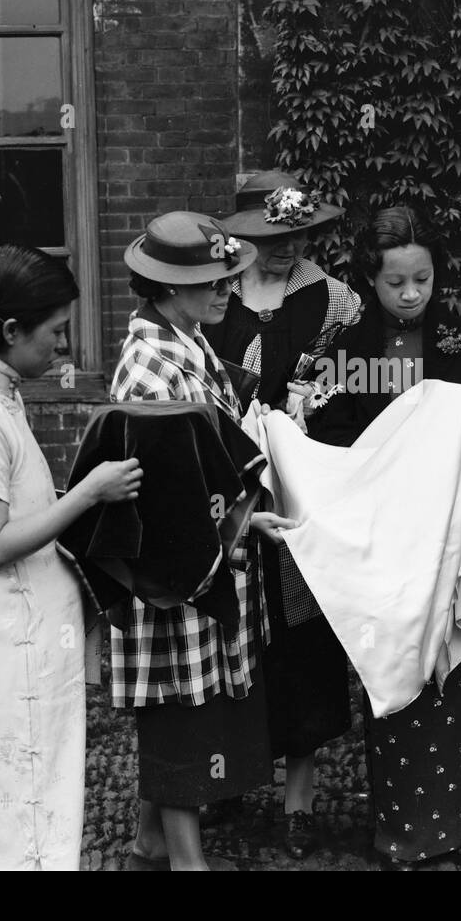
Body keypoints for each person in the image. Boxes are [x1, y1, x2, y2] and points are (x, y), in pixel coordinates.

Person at [0, 245, 144, 869]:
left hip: (32, 645)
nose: (61, 346)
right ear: (10, 331)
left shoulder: (0, 394)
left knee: (40, 805)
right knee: (17, 816)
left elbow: (19, 512)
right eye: (54, 332)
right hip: (12, 655)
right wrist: (87, 493)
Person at [304, 206, 461, 870]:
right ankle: (401, 819)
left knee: (454, 670)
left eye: (423, 278)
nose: (412, 293)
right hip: (386, 539)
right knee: (396, 671)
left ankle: (458, 816)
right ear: (370, 281)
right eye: (396, 283)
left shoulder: (459, 338)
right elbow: (330, 434)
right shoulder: (352, 349)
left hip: (449, 534)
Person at [112, 212, 296, 872]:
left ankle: (147, 847)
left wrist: (246, 518)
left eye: (228, 276)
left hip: (209, 557)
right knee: (179, 714)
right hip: (176, 570)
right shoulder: (149, 367)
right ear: (164, 288)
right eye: (210, 279)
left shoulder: (184, 340)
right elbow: (163, 495)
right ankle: (186, 865)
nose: (226, 288)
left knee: (190, 701)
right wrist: (234, 522)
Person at [208, 169, 360, 858]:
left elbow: (351, 395)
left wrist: (318, 408)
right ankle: (228, 776)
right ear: (240, 237)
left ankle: (299, 797)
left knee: (301, 640)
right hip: (233, 496)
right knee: (233, 636)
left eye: (296, 235)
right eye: (269, 237)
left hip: (300, 498)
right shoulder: (213, 301)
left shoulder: (335, 302)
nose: (283, 248)